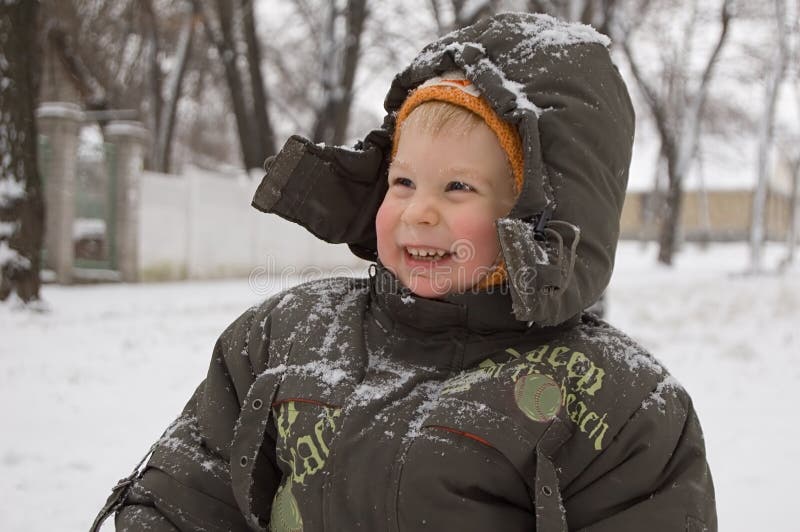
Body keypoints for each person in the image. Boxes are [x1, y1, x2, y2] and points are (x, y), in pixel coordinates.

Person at [93, 12, 716, 532]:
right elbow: (184, 498)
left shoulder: (617, 405)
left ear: (539, 215)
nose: (419, 211)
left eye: (458, 187)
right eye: (403, 180)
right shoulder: (284, 335)